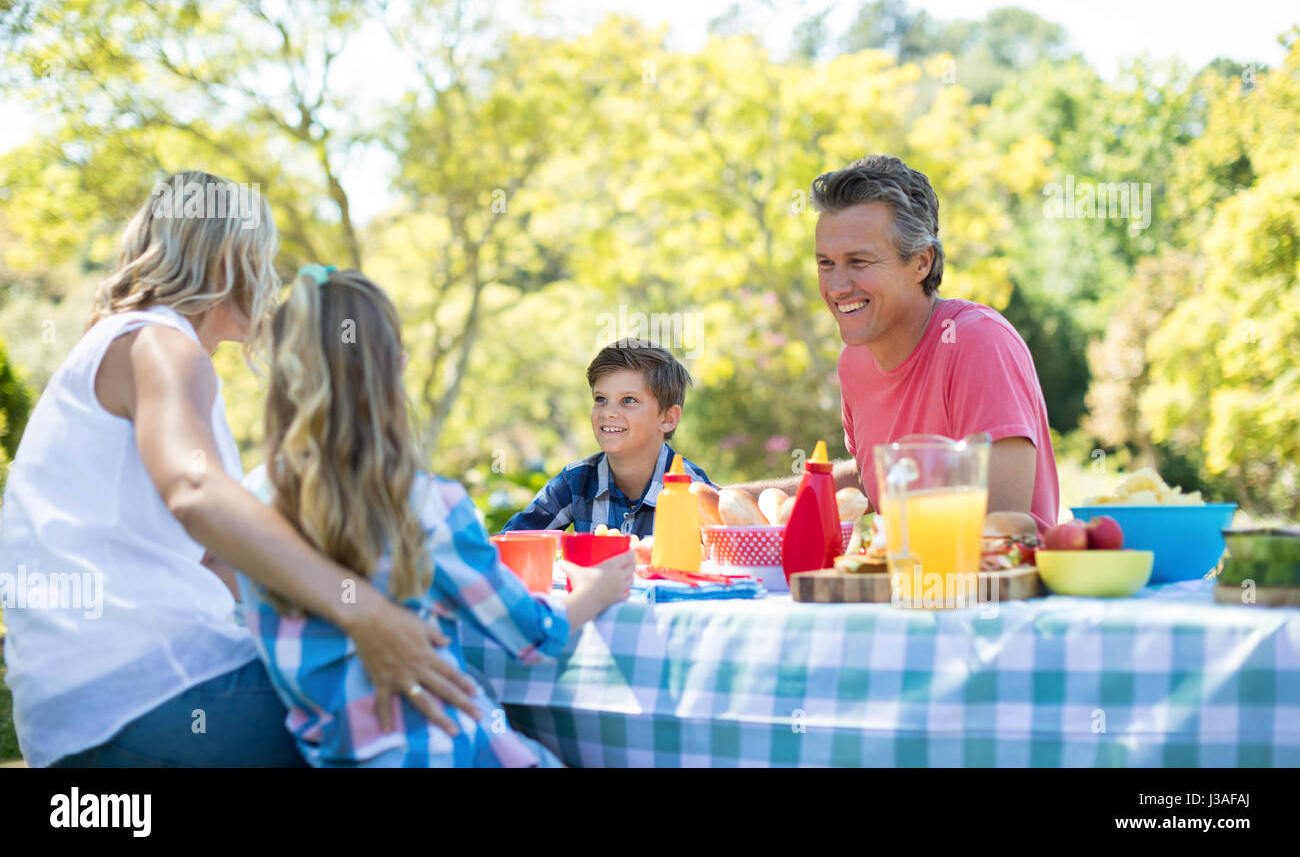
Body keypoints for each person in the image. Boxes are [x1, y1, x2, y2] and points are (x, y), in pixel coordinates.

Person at [0, 171, 479, 768]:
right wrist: (367, 612)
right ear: (229, 261)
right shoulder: (163, 346)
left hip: (76, 718)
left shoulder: (115, 348)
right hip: (158, 693)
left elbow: (217, 559)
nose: (273, 282)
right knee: (426, 706)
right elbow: (195, 490)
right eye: (265, 259)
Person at [236, 267, 633, 766]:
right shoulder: (424, 504)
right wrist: (597, 589)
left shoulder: (248, 503)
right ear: (392, 370)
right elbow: (532, 634)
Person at [743, 155, 1060, 533]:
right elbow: (870, 484)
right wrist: (737, 499)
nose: (837, 286)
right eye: (826, 263)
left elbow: (1001, 526)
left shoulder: (976, 342)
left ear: (921, 262)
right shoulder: (854, 361)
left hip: (995, 590)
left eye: (858, 261)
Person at [502, 338, 713, 538]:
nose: (608, 412)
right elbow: (510, 544)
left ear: (668, 418)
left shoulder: (693, 490)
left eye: (628, 400)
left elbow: (729, 566)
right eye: (601, 399)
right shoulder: (575, 482)